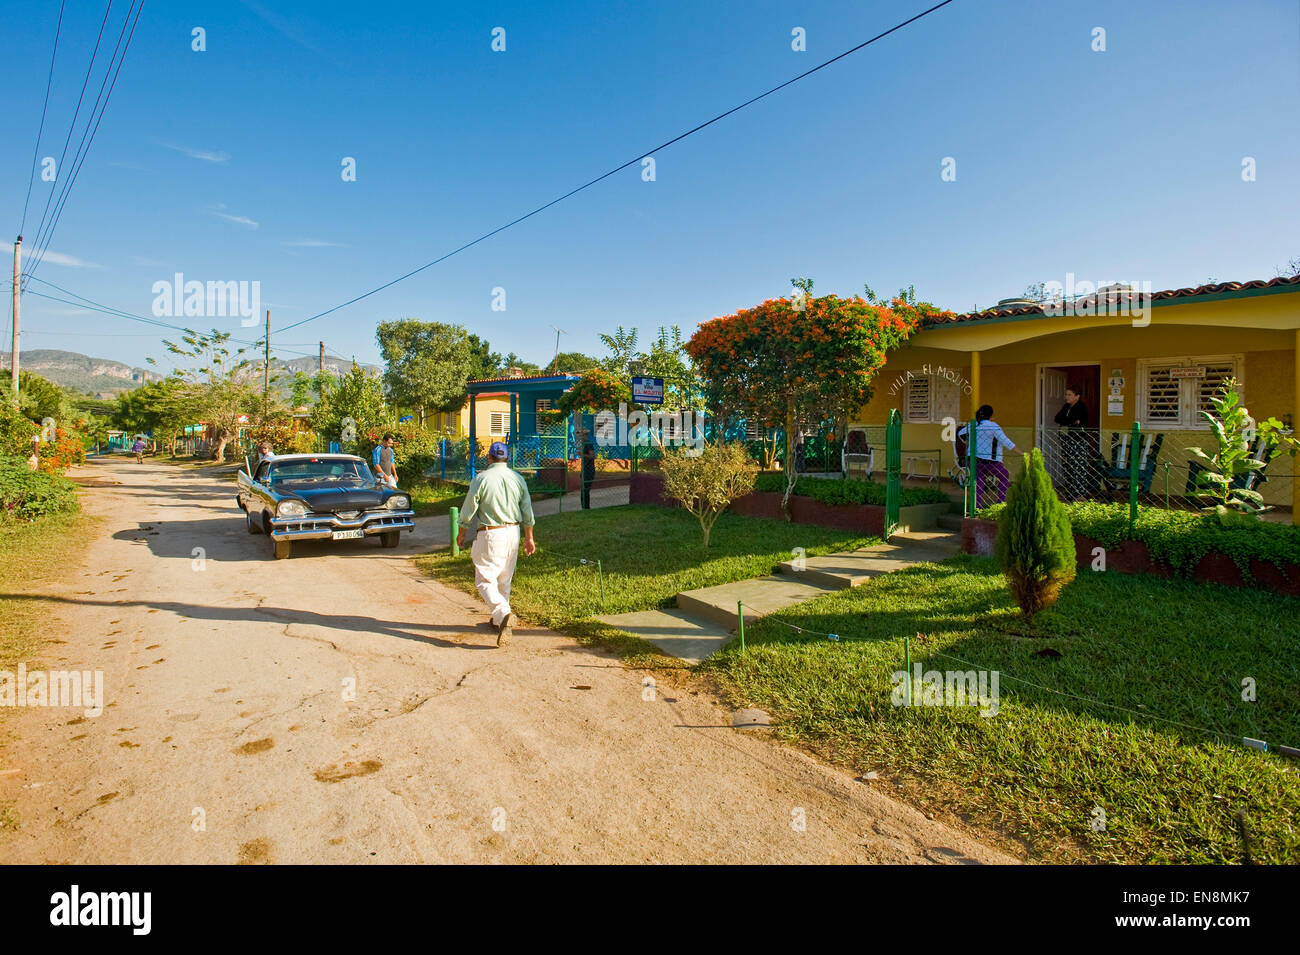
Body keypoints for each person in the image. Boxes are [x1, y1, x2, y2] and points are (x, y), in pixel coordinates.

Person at [456, 441, 536, 647]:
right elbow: (527, 510)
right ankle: (499, 622)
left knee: (484, 579)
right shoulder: (518, 479)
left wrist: (461, 532)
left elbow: (468, 509)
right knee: (504, 578)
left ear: (490, 458)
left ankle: (503, 612)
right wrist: (529, 537)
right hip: (514, 532)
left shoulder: (481, 478)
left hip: (491, 533)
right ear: (507, 458)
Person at [956, 405, 1022, 508]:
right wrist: (1022, 453)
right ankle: (1000, 503)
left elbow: (960, 434)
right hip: (991, 462)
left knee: (978, 480)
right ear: (991, 415)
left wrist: (968, 442)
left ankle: (976, 506)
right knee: (1004, 475)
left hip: (973, 461)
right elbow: (1006, 442)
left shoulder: (973, 425)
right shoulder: (993, 426)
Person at [1053, 387, 1091, 500]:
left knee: (1078, 467)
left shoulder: (1081, 407)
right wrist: (1071, 421)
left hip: (1077, 440)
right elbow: (1058, 418)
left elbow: (1076, 420)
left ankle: (1080, 494)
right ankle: (1070, 493)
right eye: (1066, 394)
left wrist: (1070, 421)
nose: (1067, 397)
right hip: (1066, 440)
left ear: (1077, 396)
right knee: (1067, 465)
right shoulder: (1066, 406)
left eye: (1069, 395)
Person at [581, 442, 597, 509]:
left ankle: (586, 508)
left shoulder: (588, 444)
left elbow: (593, 456)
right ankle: (585, 508)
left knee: (585, 490)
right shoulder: (583, 444)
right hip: (585, 470)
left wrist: (583, 455)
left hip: (589, 471)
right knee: (584, 491)